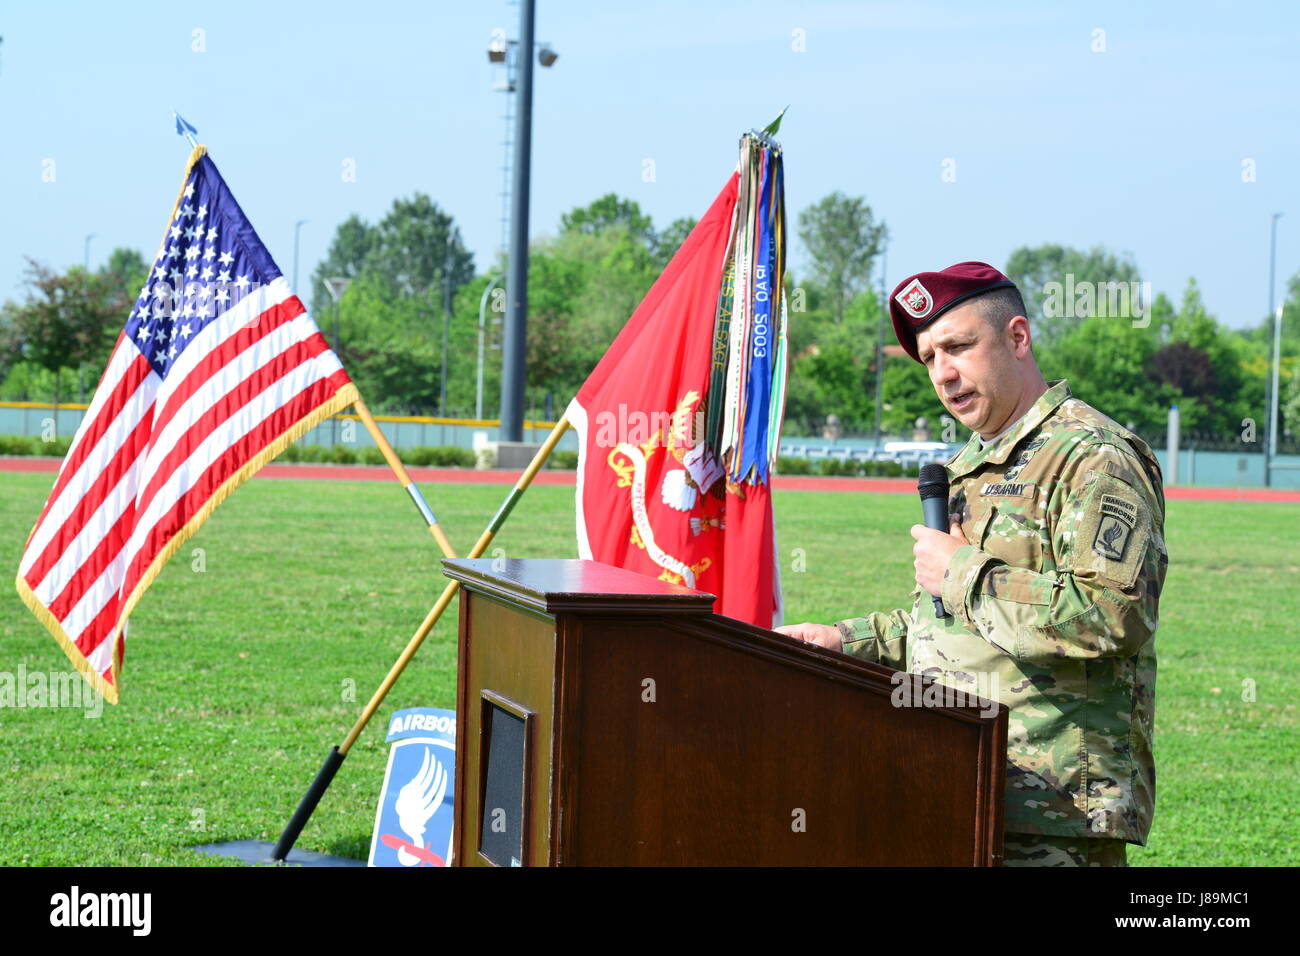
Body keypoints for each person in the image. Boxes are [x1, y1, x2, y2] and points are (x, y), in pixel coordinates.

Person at [778, 261, 1167, 867]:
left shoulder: (1092, 459)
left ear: (1017, 337)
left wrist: (962, 570)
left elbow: (1112, 615)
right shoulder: (972, 467)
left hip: (1051, 812)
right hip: (957, 784)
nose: (943, 374)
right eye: (930, 357)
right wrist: (844, 640)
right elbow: (956, 626)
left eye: (959, 346)